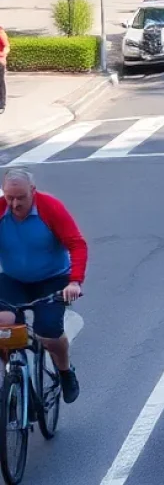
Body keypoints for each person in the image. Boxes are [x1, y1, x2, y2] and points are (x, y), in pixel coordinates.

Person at [0, 168, 87, 403]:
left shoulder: (50, 208)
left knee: (48, 333)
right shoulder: (1, 210)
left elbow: (77, 244)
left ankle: (65, 372)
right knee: (4, 327)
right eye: (10, 198)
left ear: (33, 191)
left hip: (53, 279)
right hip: (13, 280)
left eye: (21, 197)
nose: (15, 204)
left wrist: (74, 282)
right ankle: (13, 377)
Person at [0, 23, 8, 114]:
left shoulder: (0, 32)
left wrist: (3, 55)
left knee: (0, 82)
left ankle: (1, 104)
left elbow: (6, 46)